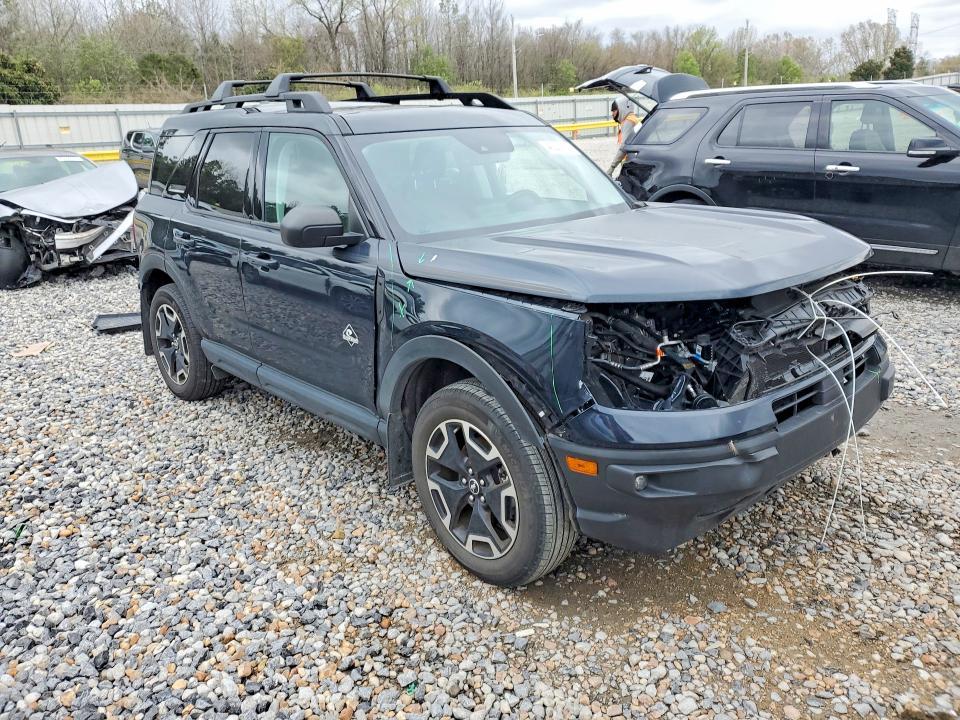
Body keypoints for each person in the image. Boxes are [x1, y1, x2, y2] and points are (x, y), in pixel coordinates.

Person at [606, 96, 640, 177]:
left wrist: (612, 167)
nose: (612, 114)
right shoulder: (632, 119)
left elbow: (624, 146)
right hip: (634, 161)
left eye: (614, 110)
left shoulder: (629, 121)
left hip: (631, 163)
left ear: (622, 108)